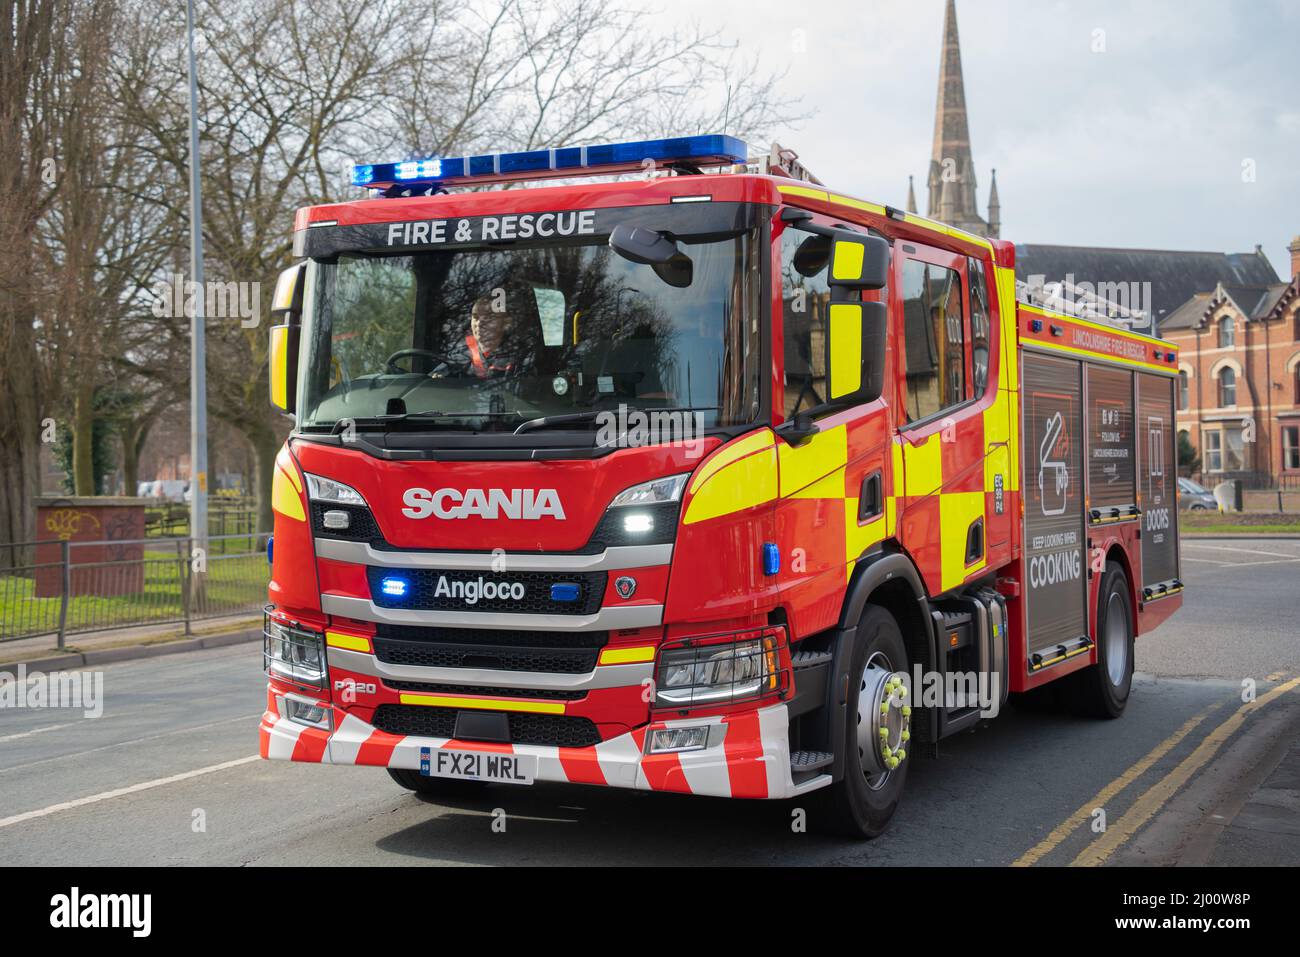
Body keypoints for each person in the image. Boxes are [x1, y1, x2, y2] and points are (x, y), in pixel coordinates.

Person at [465, 297, 515, 377]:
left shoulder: (521, 356)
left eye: (488, 317)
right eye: (475, 317)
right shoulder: (457, 353)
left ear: (505, 322)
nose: (479, 323)